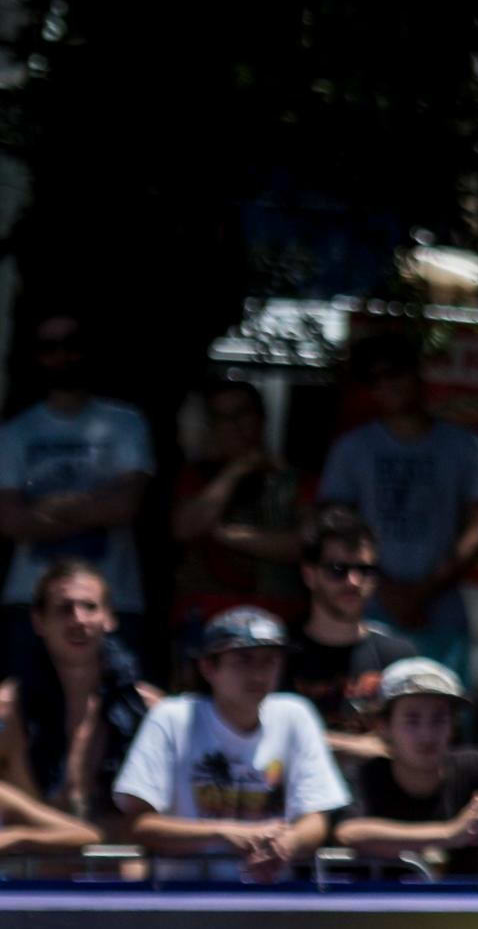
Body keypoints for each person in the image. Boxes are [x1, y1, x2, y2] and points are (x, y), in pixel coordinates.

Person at [108, 605, 347, 875]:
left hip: (272, 899)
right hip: (186, 897)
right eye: (244, 659)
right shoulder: (172, 718)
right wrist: (224, 834)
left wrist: (289, 843)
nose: (258, 673)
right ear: (208, 667)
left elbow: (316, 818)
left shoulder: (296, 714)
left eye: (269, 659)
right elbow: (139, 825)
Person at [315, 330, 478, 673]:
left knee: (443, 715)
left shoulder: (466, 446)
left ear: (418, 373)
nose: (388, 385)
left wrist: (425, 590)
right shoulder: (351, 449)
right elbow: (334, 529)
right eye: (376, 380)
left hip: (442, 613)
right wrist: (382, 585)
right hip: (368, 610)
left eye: (395, 372)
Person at [0, 312, 155, 668]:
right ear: (36, 356)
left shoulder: (126, 423)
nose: (62, 355)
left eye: (72, 344)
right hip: (30, 599)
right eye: (49, 346)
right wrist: (96, 506)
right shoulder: (14, 433)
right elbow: (10, 522)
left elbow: (126, 507)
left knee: (114, 711)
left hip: (114, 597)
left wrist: (49, 508)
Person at [333, 656, 478, 873]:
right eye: (412, 720)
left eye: (439, 718)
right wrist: (450, 833)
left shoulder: (476, 765)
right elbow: (349, 832)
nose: (427, 734)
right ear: (384, 726)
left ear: (453, 726)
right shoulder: (367, 775)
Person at [0, 560, 156, 835]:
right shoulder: (7, 708)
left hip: (124, 870)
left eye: (90, 607)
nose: (78, 619)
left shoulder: (149, 709)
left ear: (110, 618)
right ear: (38, 621)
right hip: (35, 871)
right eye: (64, 609)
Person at [168, 377, 306, 634]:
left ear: (261, 417)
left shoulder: (294, 479)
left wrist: (223, 533)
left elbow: (304, 545)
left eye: (241, 414)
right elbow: (184, 527)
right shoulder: (195, 476)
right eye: (222, 417)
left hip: (278, 617)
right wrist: (237, 469)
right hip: (206, 616)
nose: (233, 426)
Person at [282, 505, 422, 739]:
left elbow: (414, 746)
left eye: (365, 570)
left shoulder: (399, 659)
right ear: (309, 575)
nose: (354, 581)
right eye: (338, 569)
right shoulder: (277, 655)